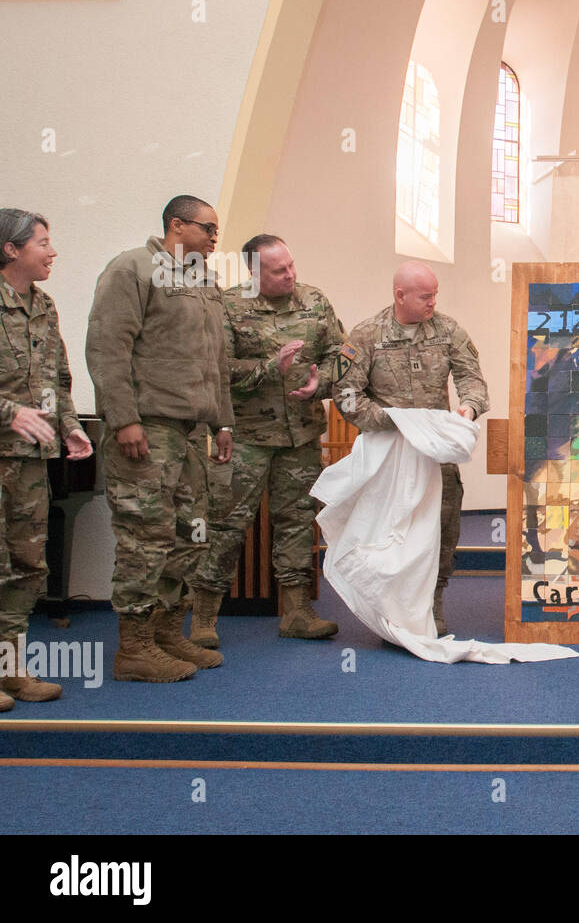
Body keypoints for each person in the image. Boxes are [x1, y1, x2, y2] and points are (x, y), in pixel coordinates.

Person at [85, 195, 233, 682]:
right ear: (177, 225)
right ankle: (135, 649)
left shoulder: (202, 281)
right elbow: (109, 347)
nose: (215, 239)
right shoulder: (133, 269)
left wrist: (222, 422)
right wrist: (122, 418)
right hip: (146, 430)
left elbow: (216, 361)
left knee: (190, 535)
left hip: (189, 435)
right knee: (145, 539)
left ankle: (168, 632)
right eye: (208, 229)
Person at [189, 235, 348, 646]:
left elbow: (339, 354)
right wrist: (267, 367)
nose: (290, 275)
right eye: (279, 270)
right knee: (226, 523)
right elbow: (216, 368)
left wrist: (321, 381)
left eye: (292, 265)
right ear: (254, 273)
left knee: (296, 521)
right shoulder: (228, 305)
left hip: (302, 435)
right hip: (246, 437)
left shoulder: (315, 300)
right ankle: (203, 619)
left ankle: (296, 612)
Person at [334, 261, 488, 636]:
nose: (433, 301)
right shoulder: (366, 335)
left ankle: (432, 605)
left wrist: (468, 408)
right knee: (392, 532)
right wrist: (394, 422)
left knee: (442, 525)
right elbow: (346, 394)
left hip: (435, 451)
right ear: (399, 295)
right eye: (425, 296)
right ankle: (390, 612)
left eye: (435, 294)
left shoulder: (449, 330)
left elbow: (473, 379)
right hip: (388, 452)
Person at [0, 210, 93, 710]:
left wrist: (70, 426)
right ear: (12, 249)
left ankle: (9, 668)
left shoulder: (44, 304)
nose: (52, 251)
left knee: (26, 565)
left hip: (30, 462)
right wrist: (8, 412)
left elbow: (56, 380)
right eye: (43, 242)